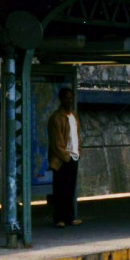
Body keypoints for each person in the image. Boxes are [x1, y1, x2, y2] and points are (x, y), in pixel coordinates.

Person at [47, 87, 82, 228]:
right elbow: (57, 142)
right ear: (61, 99)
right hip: (62, 160)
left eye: (71, 97)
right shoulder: (56, 118)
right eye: (67, 97)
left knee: (70, 189)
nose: (69, 100)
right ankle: (59, 218)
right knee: (60, 189)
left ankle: (69, 217)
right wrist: (67, 157)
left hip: (73, 157)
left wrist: (77, 153)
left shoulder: (74, 116)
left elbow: (76, 136)